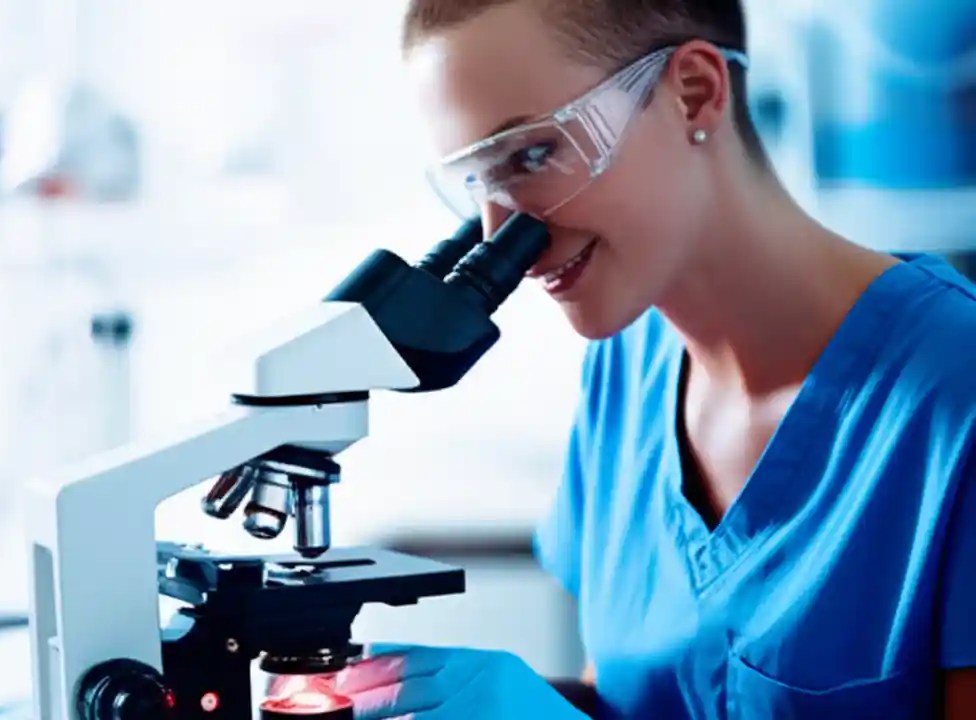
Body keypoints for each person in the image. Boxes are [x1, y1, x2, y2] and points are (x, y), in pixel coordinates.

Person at [314, 0, 976, 717]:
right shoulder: (626, 370)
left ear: (694, 91)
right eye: (477, 183)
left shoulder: (955, 395)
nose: (502, 235)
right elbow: (636, 699)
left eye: (533, 155)